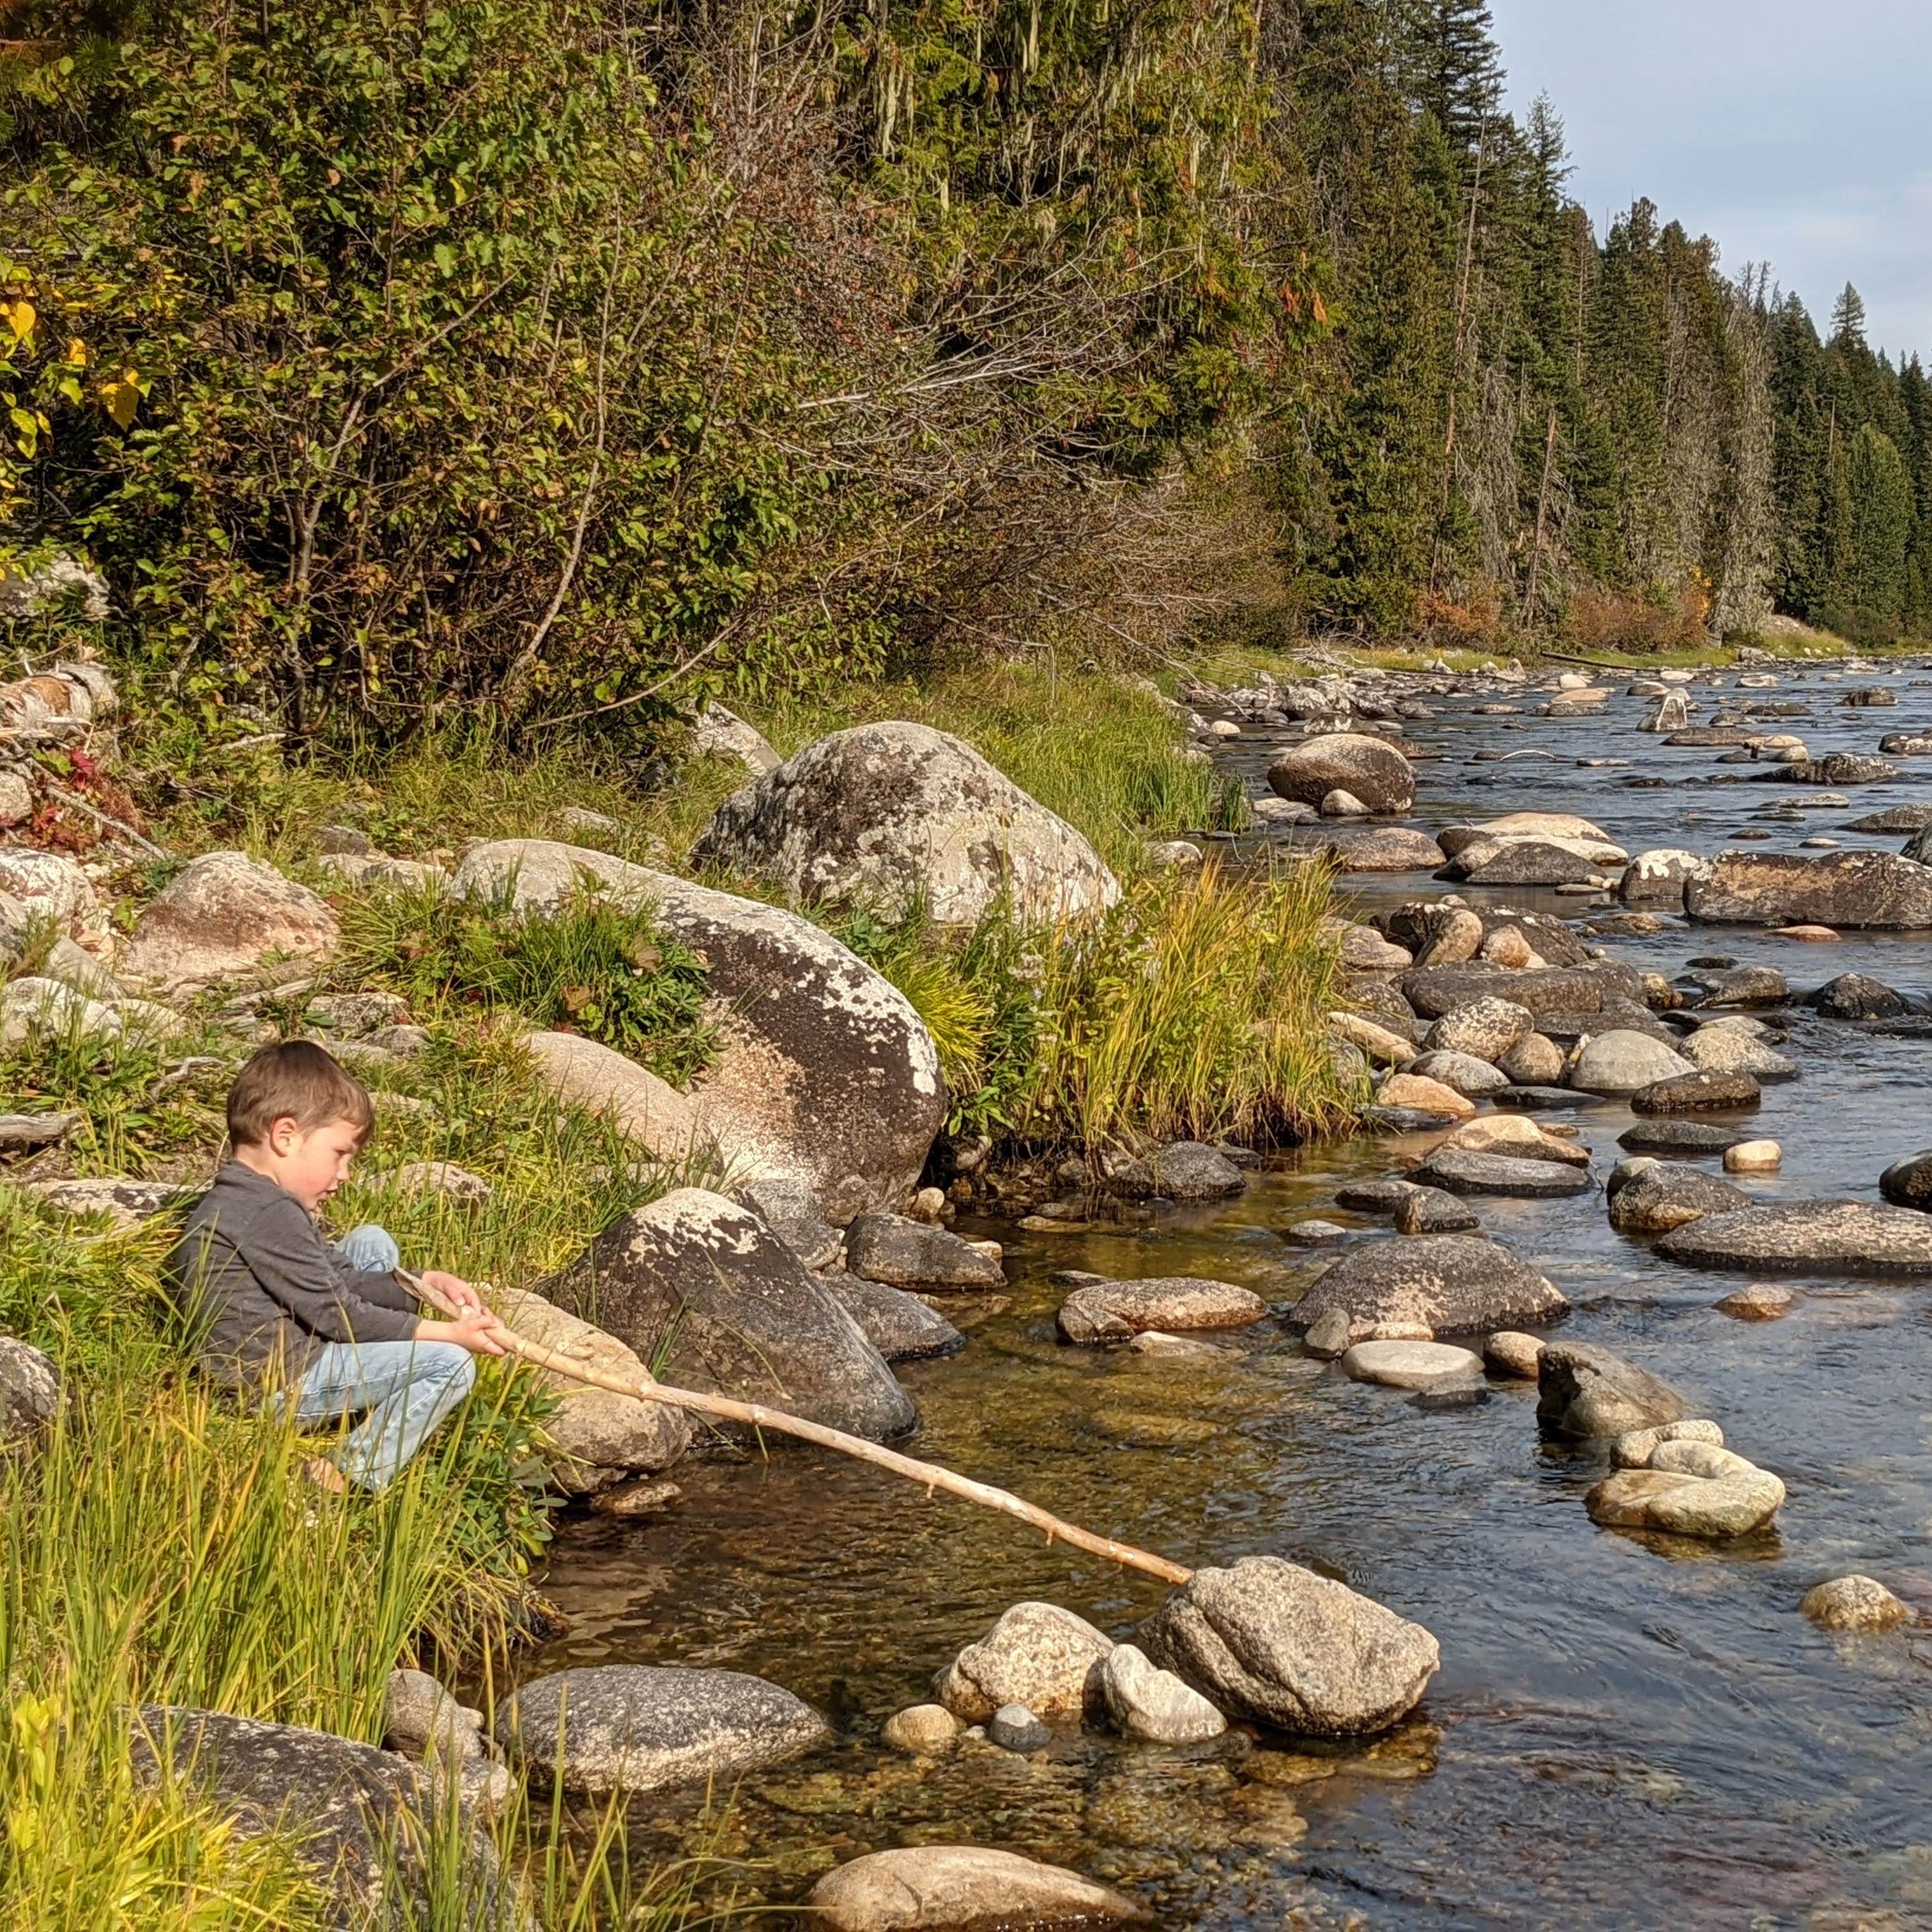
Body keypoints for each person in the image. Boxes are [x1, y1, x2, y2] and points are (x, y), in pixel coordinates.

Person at [167, 1039, 507, 1492]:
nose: (345, 1174)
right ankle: (346, 1471)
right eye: (339, 1154)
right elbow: (339, 1313)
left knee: (372, 1242)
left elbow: (339, 1275)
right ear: (285, 1137)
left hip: (281, 1348)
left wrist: (424, 1284)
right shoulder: (268, 1213)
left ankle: (374, 1384)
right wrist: (449, 1333)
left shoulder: (250, 1196)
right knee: (450, 1364)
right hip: (275, 1384)